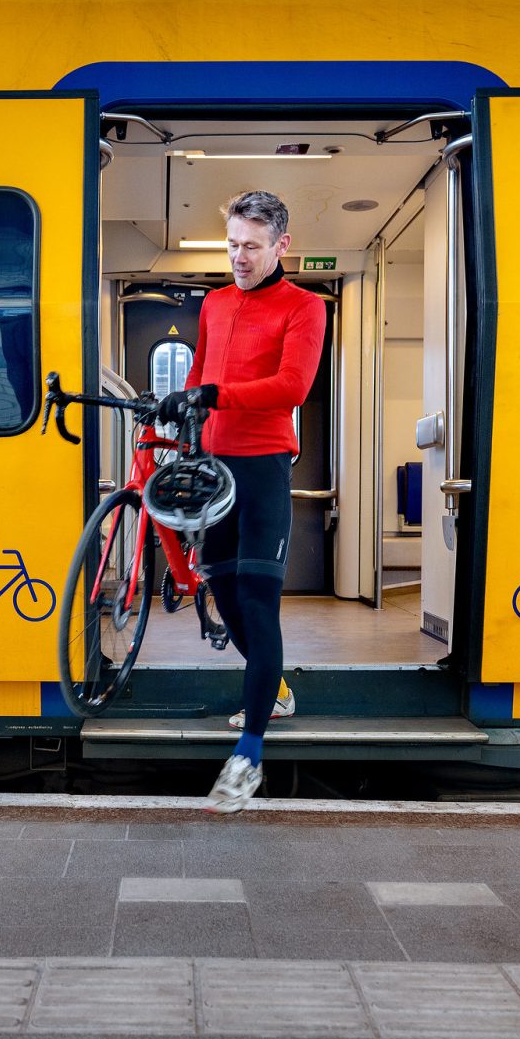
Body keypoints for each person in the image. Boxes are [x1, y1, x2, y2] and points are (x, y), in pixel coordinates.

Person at [158, 190, 325, 813]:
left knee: (256, 601)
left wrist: (211, 394)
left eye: (251, 247)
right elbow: (201, 373)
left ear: (282, 245)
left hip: (262, 468)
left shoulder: (305, 307)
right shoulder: (214, 303)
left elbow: (293, 386)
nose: (239, 257)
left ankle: (249, 755)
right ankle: (274, 690)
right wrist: (187, 424)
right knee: (223, 597)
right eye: (231, 245)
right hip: (213, 465)